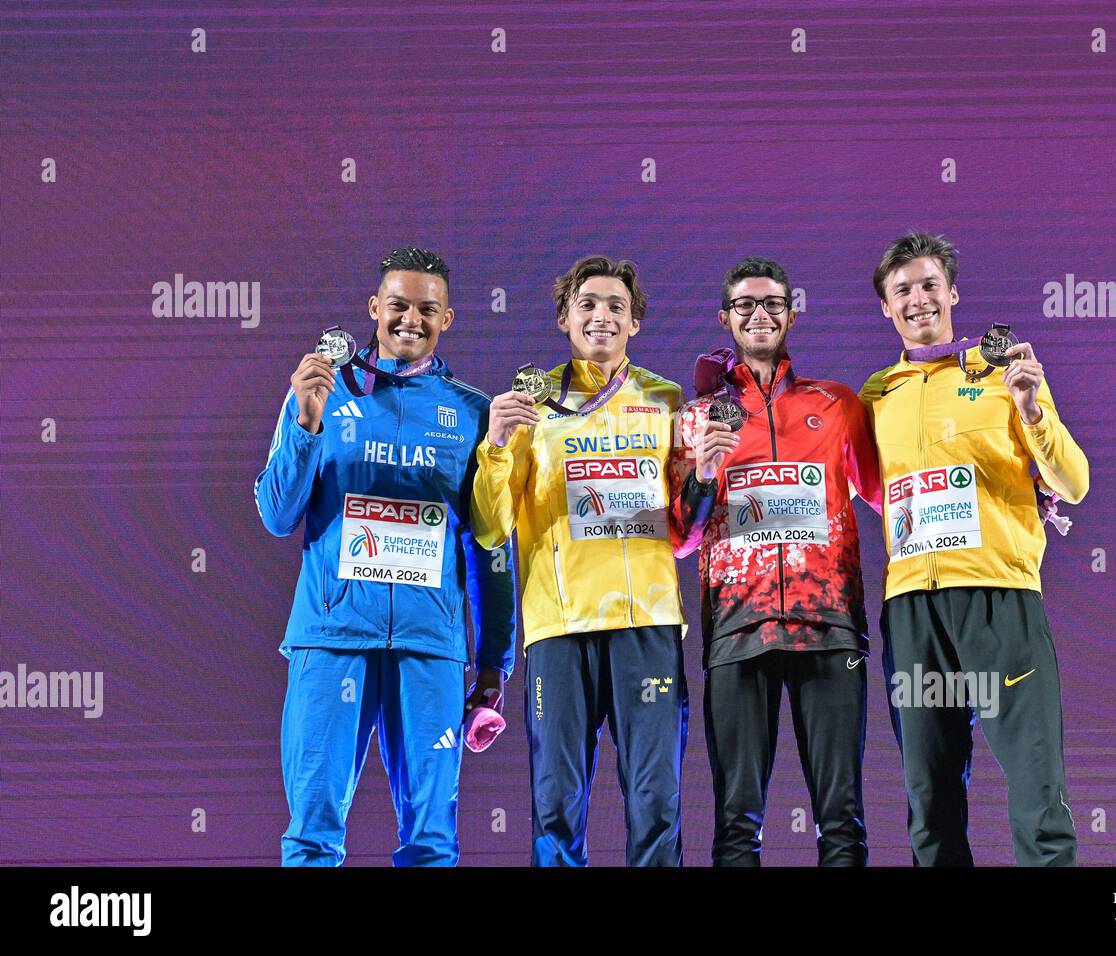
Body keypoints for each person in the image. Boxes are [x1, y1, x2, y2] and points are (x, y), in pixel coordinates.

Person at [255, 247, 515, 866]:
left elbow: (490, 546)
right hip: (331, 637)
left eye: (428, 309)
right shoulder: (321, 392)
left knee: (431, 840)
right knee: (312, 834)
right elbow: (276, 514)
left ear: (447, 319)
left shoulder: (473, 413)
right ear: (375, 309)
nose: (411, 320)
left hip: (430, 646)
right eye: (397, 305)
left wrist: (494, 662)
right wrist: (306, 427)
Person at [858, 231, 1088, 866]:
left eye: (930, 284)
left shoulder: (1004, 377)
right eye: (901, 290)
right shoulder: (876, 395)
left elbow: (1074, 482)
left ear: (952, 293)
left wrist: (1033, 410)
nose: (918, 299)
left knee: (1038, 793)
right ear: (885, 306)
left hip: (999, 603)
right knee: (930, 801)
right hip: (912, 612)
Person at [471, 255, 698, 867]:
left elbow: (685, 527)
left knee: (656, 802)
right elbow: (491, 528)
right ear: (564, 319)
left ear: (636, 323)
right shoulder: (530, 407)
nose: (602, 316)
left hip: (646, 627)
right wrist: (494, 446)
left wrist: (706, 470)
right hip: (559, 631)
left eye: (616, 306)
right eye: (588, 305)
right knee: (556, 804)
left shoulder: (666, 399)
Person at [671, 256, 882, 866]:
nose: (759, 314)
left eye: (771, 304)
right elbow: (681, 536)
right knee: (737, 823)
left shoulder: (837, 403)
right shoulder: (697, 416)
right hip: (738, 629)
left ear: (790, 313)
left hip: (829, 624)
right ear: (725, 317)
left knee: (841, 818)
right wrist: (705, 474)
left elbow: (887, 489)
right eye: (745, 305)